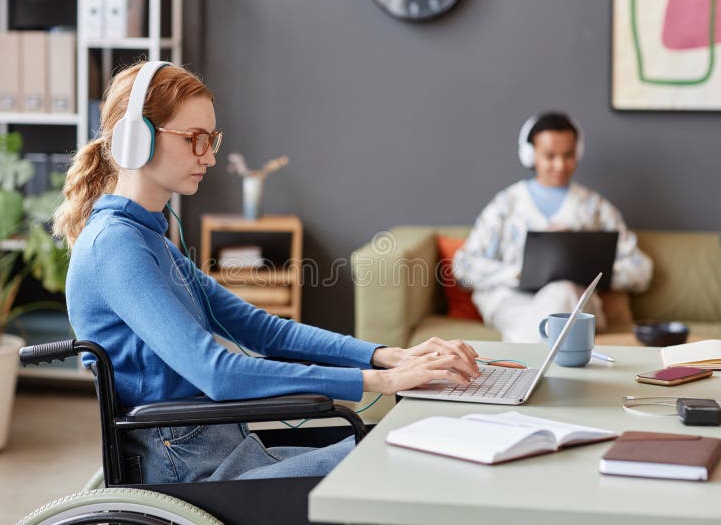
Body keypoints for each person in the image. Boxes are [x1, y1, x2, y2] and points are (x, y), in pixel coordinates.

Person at [53, 61, 480, 485]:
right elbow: (215, 371)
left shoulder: (149, 239)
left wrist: (388, 356)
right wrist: (379, 381)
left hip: (231, 450)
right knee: (401, 455)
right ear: (136, 140)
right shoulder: (115, 245)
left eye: (211, 140)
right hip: (195, 473)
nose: (210, 156)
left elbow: (264, 331)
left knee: (404, 446)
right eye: (195, 139)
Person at [454, 112, 653, 343]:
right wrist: (519, 273)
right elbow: (463, 267)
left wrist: (581, 267)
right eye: (550, 156)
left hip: (574, 298)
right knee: (549, 319)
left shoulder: (595, 208)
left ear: (578, 153)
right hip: (513, 300)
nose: (560, 165)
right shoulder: (505, 205)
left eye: (568, 155)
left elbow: (641, 270)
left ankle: (525, 361)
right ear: (531, 155)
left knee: (562, 293)